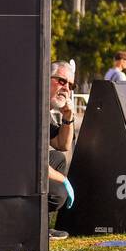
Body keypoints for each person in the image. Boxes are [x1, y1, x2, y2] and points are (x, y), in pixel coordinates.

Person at [46, 61, 78, 240]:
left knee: (58, 158)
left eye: (70, 85)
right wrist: (63, 179)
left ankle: (41, 225)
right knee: (58, 193)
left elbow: (62, 145)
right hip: (9, 171)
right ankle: (31, 226)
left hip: (25, 166)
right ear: (45, 78)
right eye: (61, 81)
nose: (67, 88)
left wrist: (68, 116)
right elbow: (32, 161)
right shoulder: (31, 106)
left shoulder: (45, 110)